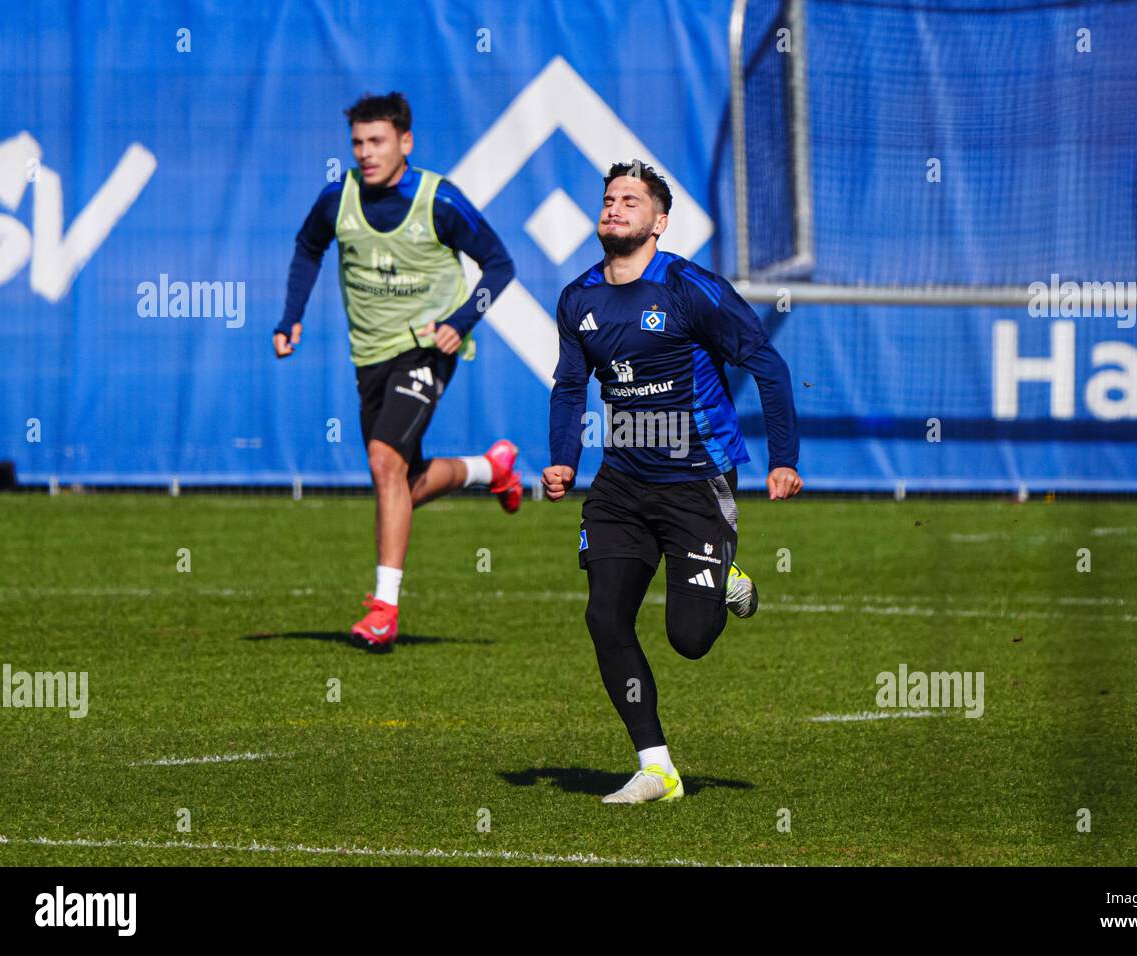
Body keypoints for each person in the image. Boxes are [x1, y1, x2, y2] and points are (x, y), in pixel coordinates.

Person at [543, 160, 803, 803]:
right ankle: (656, 766)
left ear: (659, 222)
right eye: (608, 198)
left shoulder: (691, 288)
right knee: (605, 617)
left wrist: (784, 458)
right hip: (621, 486)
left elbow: (766, 363)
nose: (615, 207)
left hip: (695, 485)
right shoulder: (579, 299)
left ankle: (725, 578)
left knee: (689, 640)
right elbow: (571, 386)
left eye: (631, 200)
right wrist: (564, 461)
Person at [275, 91, 520, 649]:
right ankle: (490, 469)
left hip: (429, 346)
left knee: (384, 461)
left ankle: (384, 607)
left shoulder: (439, 200)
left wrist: (462, 320)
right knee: (400, 483)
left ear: (405, 143)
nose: (366, 152)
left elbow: (501, 264)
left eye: (377, 141)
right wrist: (291, 317)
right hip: (370, 354)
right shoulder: (337, 198)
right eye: (358, 142)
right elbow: (308, 249)